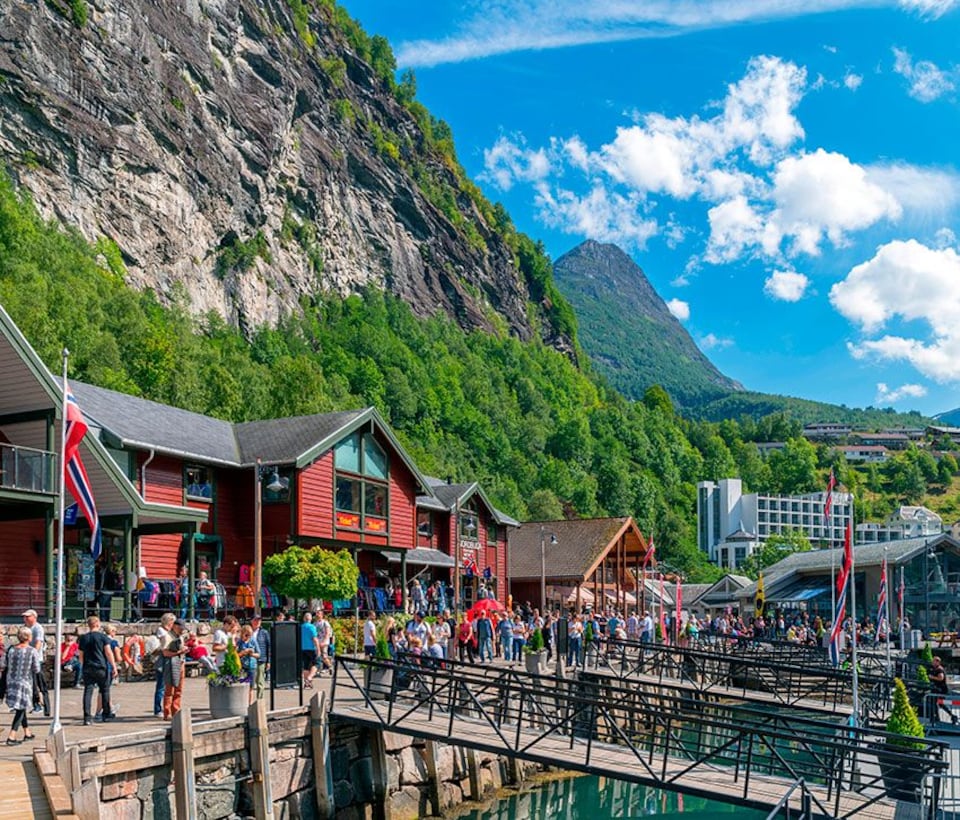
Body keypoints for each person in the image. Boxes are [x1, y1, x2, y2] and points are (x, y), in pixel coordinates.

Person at [1, 627, 40, 744]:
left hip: (11, 681)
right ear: (28, 637)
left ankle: (27, 732)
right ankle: (11, 736)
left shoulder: (11, 649)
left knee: (20, 707)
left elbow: (3, 664)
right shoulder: (32, 651)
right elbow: (36, 669)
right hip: (24, 682)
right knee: (21, 708)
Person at [78, 616, 118, 726]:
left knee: (88, 691)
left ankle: (87, 717)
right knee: (105, 690)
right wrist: (114, 666)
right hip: (101, 666)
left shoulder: (83, 638)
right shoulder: (103, 637)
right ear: (97, 624)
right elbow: (108, 653)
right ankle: (106, 714)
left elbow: (80, 655)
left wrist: (83, 666)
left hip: (88, 667)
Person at [161, 618, 189, 720]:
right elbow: (165, 653)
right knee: (169, 690)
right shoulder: (167, 636)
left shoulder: (180, 637)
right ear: (175, 626)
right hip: (170, 664)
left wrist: (184, 650)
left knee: (179, 690)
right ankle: (167, 713)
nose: (182, 630)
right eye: (181, 628)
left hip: (181, 663)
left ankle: (176, 711)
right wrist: (178, 652)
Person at [22, 609, 49, 717]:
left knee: (37, 684)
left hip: (36, 661)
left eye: (28, 616)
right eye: (24, 616)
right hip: (27, 660)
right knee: (29, 683)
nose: (25, 618)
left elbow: (38, 643)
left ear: (34, 617)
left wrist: (32, 656)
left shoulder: (37, 628)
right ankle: (33, 704)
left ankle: (40, 705)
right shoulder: (25, 627)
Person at [152, 613, 175, 716]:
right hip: (161, 660)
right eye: (172, 622)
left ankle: (168, 707)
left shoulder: (169, 631)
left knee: (168, 686)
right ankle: (157, 709)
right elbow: (165, 642)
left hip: (169, 659)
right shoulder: (162, 631)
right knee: (161, 686)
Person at [237, 625, 260, 704]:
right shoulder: (239, 642)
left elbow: (259, 654)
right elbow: (235, 656)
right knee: (242, 685)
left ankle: (249, 704)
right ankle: (242, 703)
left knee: (250, 687)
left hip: (251, 666)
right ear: (242, 633)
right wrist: (243, 652)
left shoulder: (253, 641)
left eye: (250, 635)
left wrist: (252, 654)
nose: (248, 637)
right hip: (242, 667)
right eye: (246, 635)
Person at [251, 615, 271, 700]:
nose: (258, 622)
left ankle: (260, 700)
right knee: (249, 682)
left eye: (259, 620)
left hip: (261, 659)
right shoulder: (248, 631)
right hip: (249, 660)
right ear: (252, 621)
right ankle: (249, 701)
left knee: (260, 681)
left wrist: (269, 661)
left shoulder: (264, 632)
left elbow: (269, 647)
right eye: (256, 620)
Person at [300, 612, 320, 688]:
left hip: (303, 649)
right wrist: (318, 649)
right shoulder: (312, 627)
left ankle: (307, 682)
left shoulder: (301, 627)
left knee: (306, 666)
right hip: (311, 648)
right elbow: (314, 638)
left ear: (304, 619)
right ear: (311, 619)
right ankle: (309, 677)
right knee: (317, 663)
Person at [315, 610, 333, 675]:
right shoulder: (315, 623)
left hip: (324, 642)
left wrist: (324, 641)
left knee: (324, 656)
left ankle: (330, 667)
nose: (317, 615)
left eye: (319, 614)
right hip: (317, 642)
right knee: (317, 656)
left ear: (322, 615)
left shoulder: (325, 623)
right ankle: (318, 670)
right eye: (317, 613)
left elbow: (327, 633)